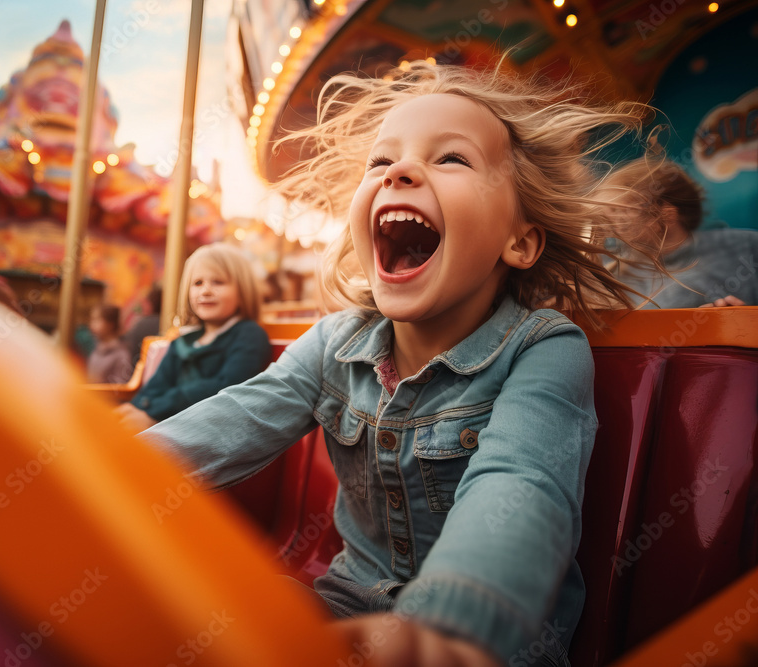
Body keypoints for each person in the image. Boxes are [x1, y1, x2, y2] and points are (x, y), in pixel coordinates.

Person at [139, 61, 671, 667]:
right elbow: (233, 420)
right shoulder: (336, 341)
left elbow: (521, 487)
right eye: (379, 161)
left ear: (519, 241)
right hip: (347, 605)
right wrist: (108, 472)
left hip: (487, 638)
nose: (398, 171)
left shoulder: (545, 348)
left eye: (451, 158)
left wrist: (447, 625)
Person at [115, 243, 271, 432]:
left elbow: (226, 389)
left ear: (243, 291)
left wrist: (152, 413)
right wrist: (137, 407)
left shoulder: (249, 335)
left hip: (210, 432)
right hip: (169, 423)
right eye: (197, 283)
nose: (205, 291)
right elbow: (157, 384)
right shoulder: (183, 340)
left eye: (218, 282)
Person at [603, 159, 758, 308]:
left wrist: (738, 317)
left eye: (621, 211)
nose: (612, 221)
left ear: (667, 215)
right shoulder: (615, 272)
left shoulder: (744, 247)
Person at [86, 303, 133, 384]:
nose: (92, 325)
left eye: (97, 320)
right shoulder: (97, 348)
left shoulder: (122, 354)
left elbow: (120, 388)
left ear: (110, 324)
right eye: (92, 320)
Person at [123, 283, 162, 360]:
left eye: (145, 302)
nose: (142, 305)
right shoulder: (161, 321)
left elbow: (125, 339)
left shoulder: (142, 323)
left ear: (151, 303)